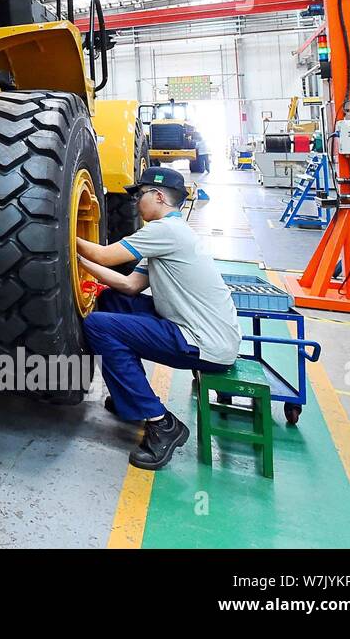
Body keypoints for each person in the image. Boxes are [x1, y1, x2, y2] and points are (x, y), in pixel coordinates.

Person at [76, 166, 242, 470]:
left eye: (140, 195)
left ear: (159, 196)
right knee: (112, 300)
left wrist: (63, 235)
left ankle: (161, 423)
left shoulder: (165, 231)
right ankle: (131, 397)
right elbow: (129, 286)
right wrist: (82, 262)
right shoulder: (171, 234)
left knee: (99, 326)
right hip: (196, 328)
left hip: (204, 343)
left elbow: (103, 255)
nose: (137, 202)